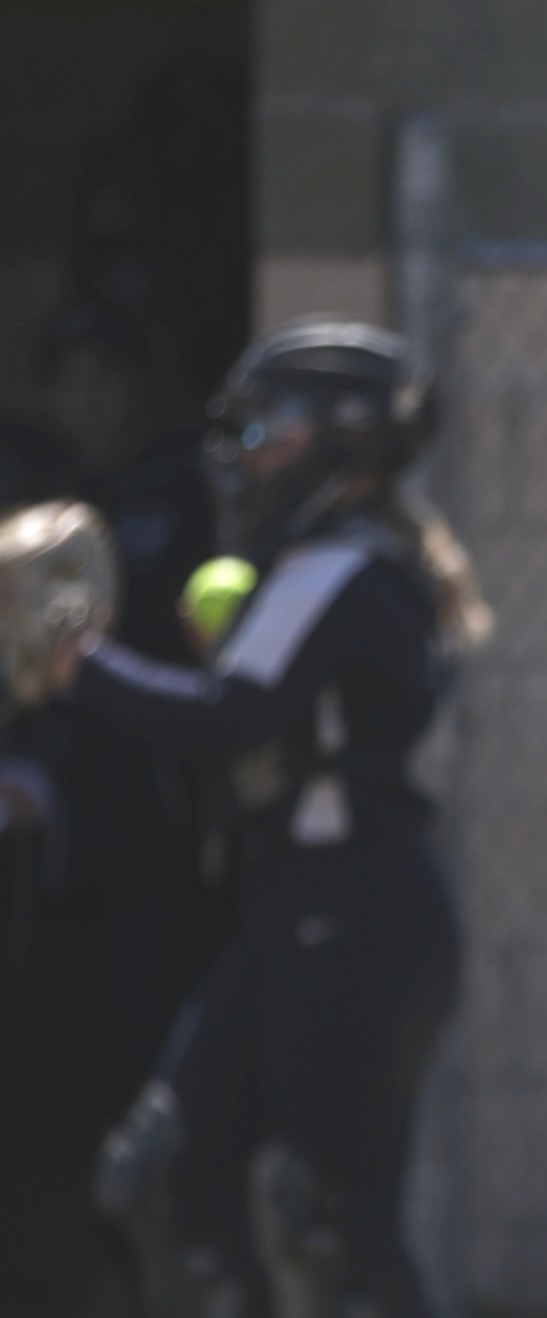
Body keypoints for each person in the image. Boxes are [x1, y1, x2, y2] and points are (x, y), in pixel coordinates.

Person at [67, 316, 489, 1317]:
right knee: (171, 1178)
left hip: (357, 921)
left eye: (272, 431)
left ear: (346, 438)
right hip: (296, 911)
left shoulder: (340, 570)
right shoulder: (317, 571)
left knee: (336, 1227)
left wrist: (76, 662)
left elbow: (224, 722)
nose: (247, 455)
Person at [0, 299, 228, 1318]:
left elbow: (162, 685)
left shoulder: (178, 491)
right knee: (57, 1071)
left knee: (152, 1080)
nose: (88, 402)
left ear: (142, 383)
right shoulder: (47, 492)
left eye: (107, 378)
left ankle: (156, 1282)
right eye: (70, 381)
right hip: (63, 862)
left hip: (156, 840)